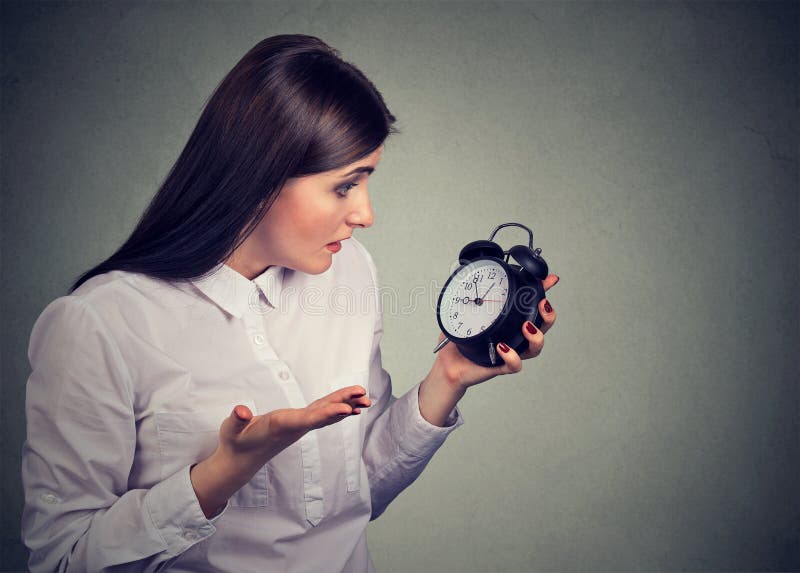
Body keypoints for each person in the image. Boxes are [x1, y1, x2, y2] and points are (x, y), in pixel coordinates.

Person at [20, 34, 559, 572]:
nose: (366, 214)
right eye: (345, 186)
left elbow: (354, 495)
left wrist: (449, 377)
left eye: (367, 181)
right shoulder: (99, 325)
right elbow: (62, 560)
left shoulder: (348, 271)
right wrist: (220, 474)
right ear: (259, 174)